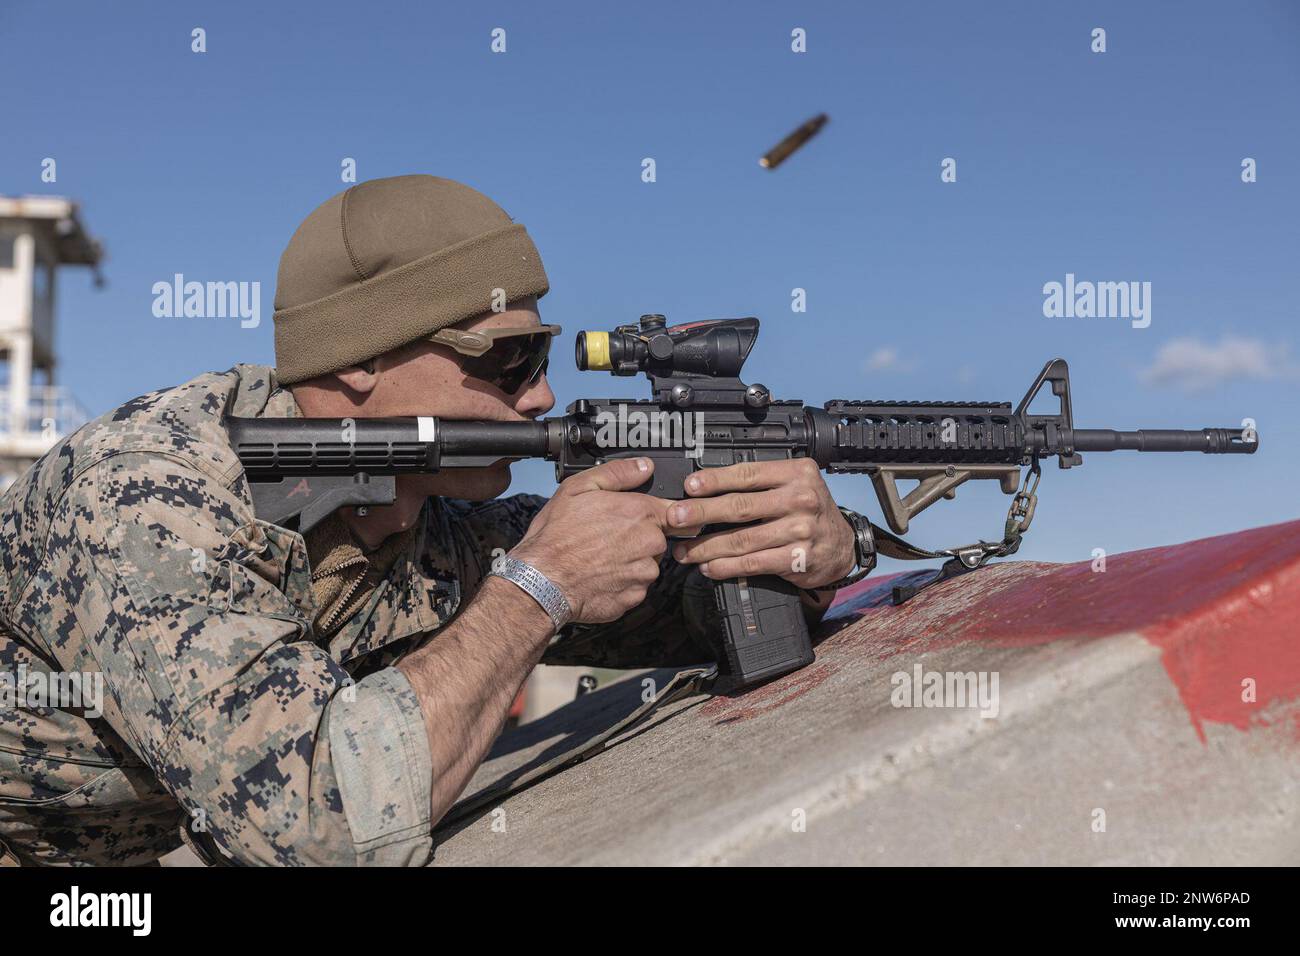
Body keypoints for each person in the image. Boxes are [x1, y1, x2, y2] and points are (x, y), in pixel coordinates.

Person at [0, 175, 858, 866]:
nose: (542, 396)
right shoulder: (154, 497)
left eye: (545, 356)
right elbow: (311, 830)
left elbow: (679, 619)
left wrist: (798, 552)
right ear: (363, 361)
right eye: (509, 359)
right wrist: (536, 590)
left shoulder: (431, 517)